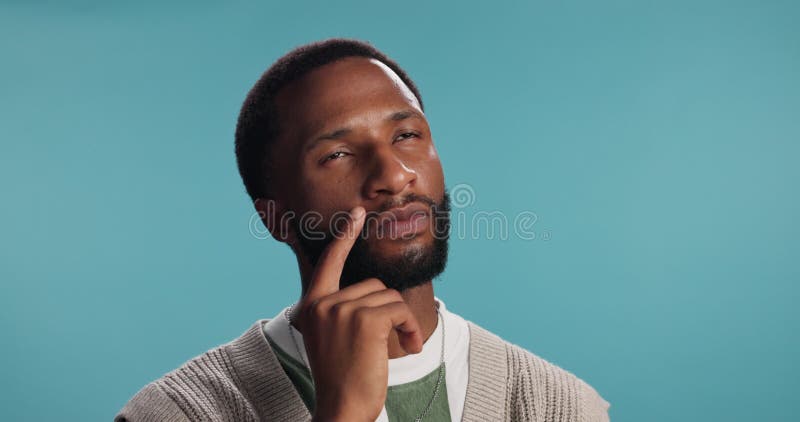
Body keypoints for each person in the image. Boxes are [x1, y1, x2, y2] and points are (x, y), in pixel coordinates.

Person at [114, 38, 611, 422]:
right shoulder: (177, 412)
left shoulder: (560, 406)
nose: (394, 175)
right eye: (337, 154)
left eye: (407, 135)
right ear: (276, 218)